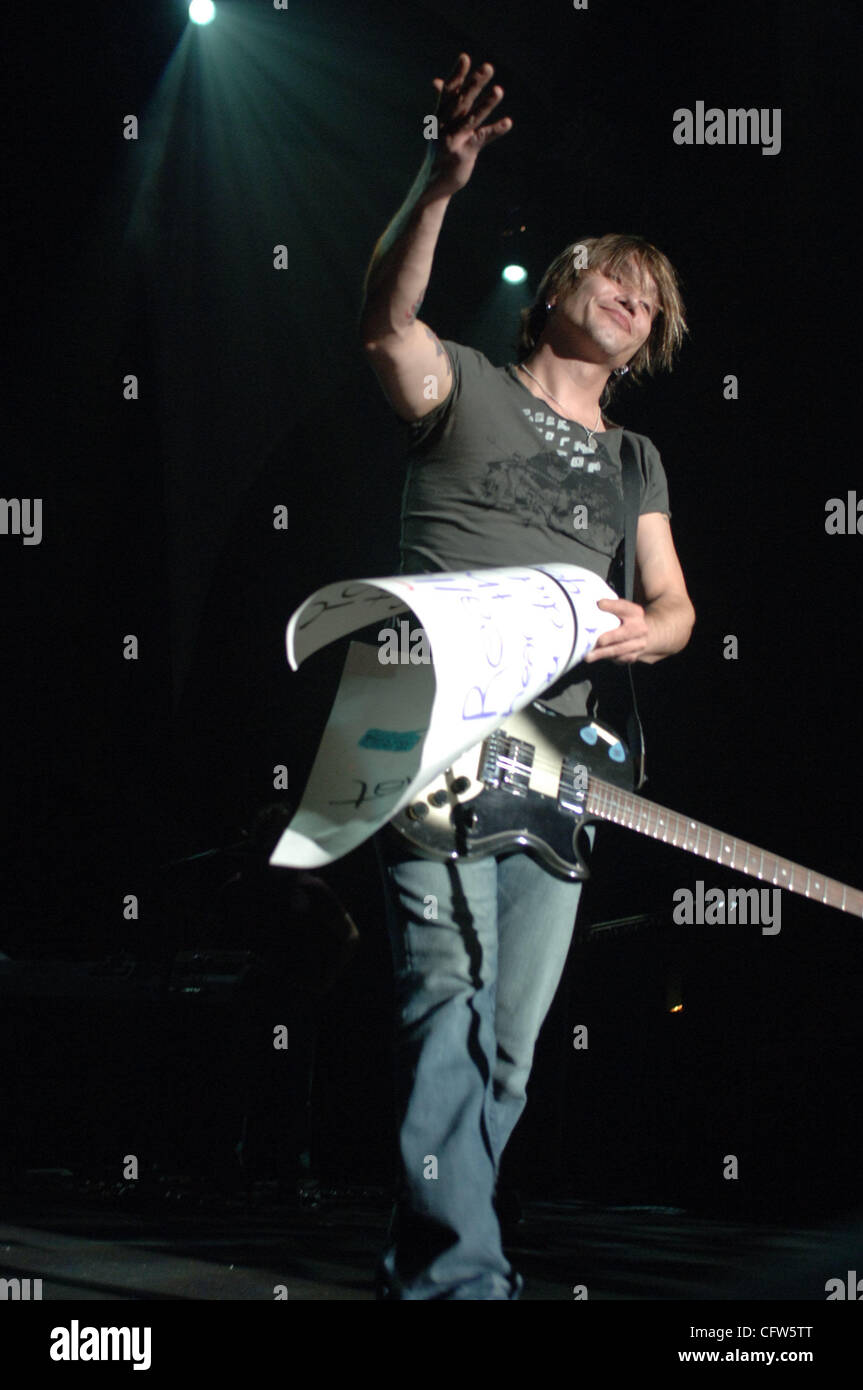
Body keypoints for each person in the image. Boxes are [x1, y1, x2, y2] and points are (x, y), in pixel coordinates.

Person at [358, 52, 695, 1300]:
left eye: (648, 299)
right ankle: (463, 1283)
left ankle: (427, 1259)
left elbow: (673, 608)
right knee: (446, 992)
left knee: (506, 1044)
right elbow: (386, 328)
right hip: (436, 721)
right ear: (558, 286)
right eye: (612, 274)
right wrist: (438, 186)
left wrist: (643, 634)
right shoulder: (470, 389)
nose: (629, 297)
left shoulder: (635, 462)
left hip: (557, 763)